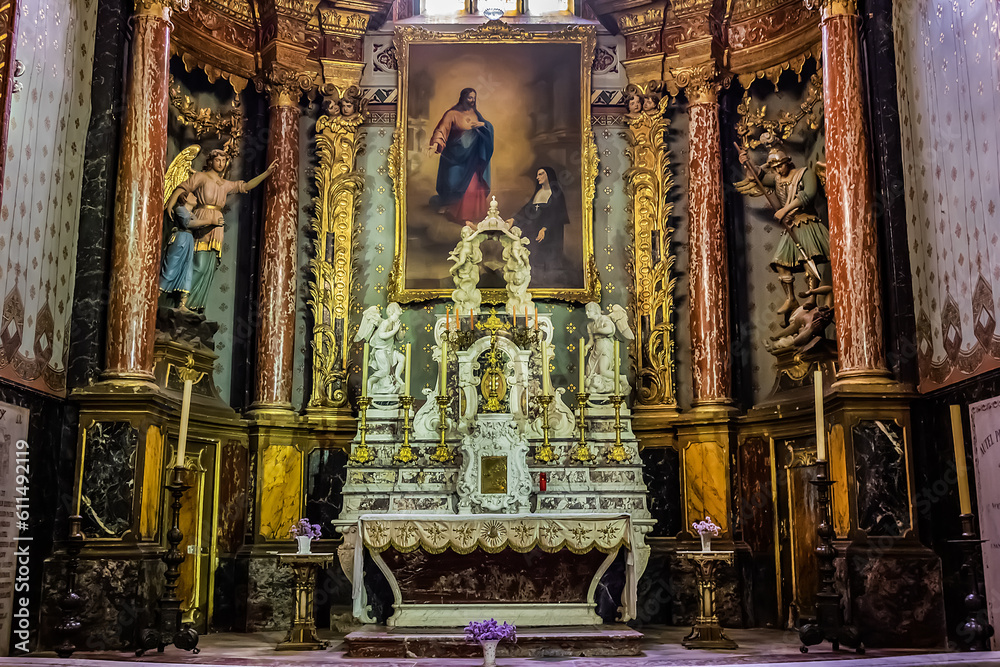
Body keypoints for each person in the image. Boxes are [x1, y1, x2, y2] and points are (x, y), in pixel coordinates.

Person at [164, 150, 276, 312]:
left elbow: (245, 186)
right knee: (197, 263)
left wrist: (266, 173)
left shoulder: (224, 184)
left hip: (217, 225)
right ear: (211, 161)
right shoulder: (201, 177)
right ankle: (182, 302)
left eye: (224, 160)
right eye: (218, 160)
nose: (221, 163)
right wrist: (169, 205)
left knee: (208, 265)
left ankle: (192, 306)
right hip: (202, 218)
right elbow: (182, 188)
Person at [737, 146, 829, 319]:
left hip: (806, 222)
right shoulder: (778, 178)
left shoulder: (804, 173)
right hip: (791, 226)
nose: (778, 170)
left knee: (808, 260)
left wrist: (784, 210)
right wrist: (746, 162)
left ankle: (812, 297)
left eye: (780, 166)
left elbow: (808, 194)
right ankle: (791, 298)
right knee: (780, 263)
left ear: (787, 162)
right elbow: (758, 177)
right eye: (775, 167)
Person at [428, 88, 494, 224]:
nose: (472, 100)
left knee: (473, 186)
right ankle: (450, 208)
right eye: (469, 97)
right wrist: (435, 145)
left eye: (474, 98)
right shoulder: (452, 114)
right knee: (452, 182)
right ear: (463, 98)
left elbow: (487, 128)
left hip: (472, 159)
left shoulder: (477, 114)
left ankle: (470, 215)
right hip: (455, 156)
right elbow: (442, 130)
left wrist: (483, 125)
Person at [508, 167, 569, 284]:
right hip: (535, 230)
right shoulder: (538, 193)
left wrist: (545, 228)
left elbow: (555, 214)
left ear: (548, 176)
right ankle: (535, 282)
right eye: (537, 175)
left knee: (549, 259)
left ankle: (548, 283)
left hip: (551, 232)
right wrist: (514, 219)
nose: (538, 177)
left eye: (541, 174)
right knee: (534, 256)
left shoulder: (556, 194)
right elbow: (528, 209)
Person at [159, 192, 199, 311]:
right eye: (193, 195)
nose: (196, 197)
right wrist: (208, 220)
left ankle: (182, 304)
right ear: (185, 198)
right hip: (180, 239)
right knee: (170, 268)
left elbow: (196, 225)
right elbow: (187, 222)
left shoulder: (192, 214)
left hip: (189, 240)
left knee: (187, 271)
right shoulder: (180, 209)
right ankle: (155, 295)